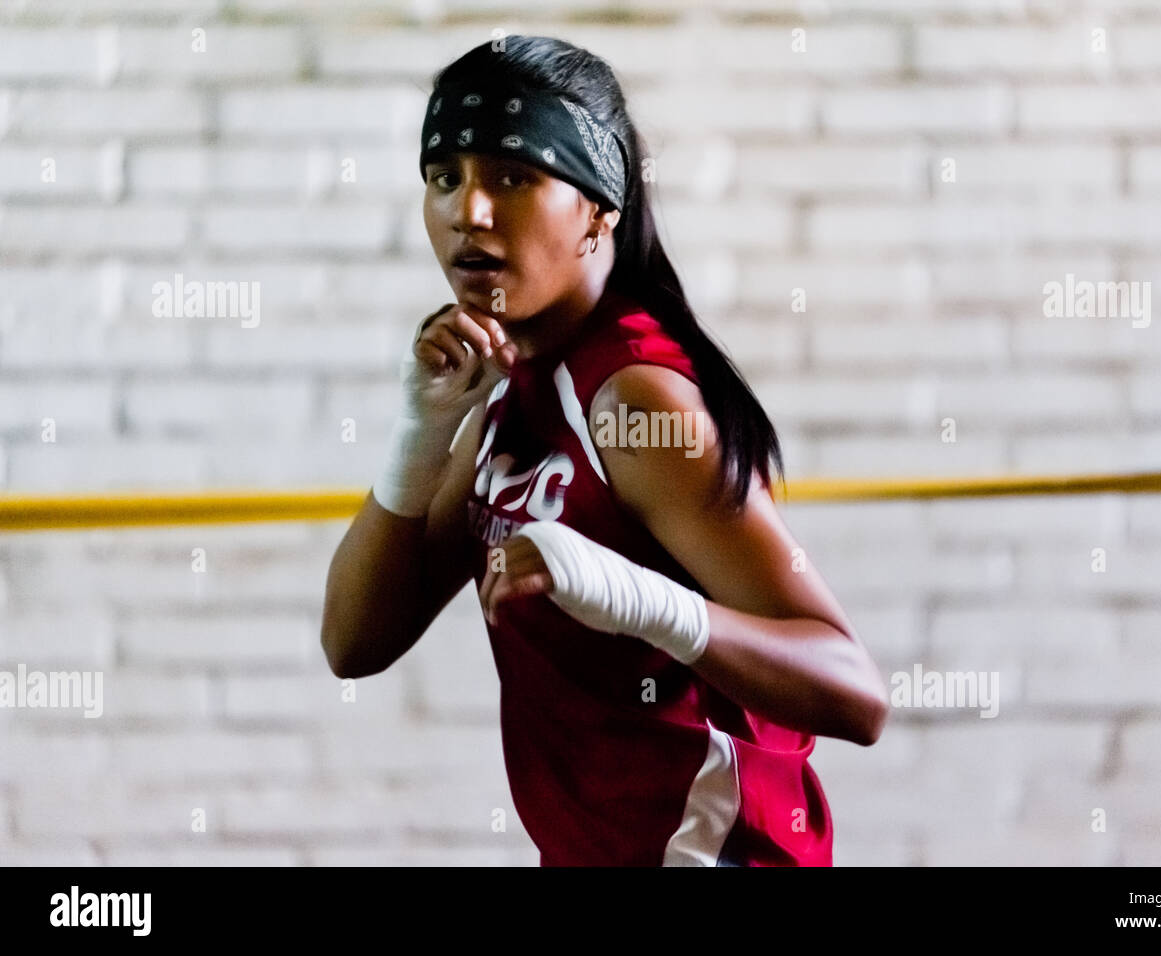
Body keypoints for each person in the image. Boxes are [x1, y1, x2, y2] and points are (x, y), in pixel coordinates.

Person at [321, 35, 890, 866]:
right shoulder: (509, 391)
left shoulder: (631, 398)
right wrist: (419, 439)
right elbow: (355, 642)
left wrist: (638, 597)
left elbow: (854, 691)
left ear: (598, 209)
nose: (468, 212)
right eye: (444, 178)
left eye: (512, 178)